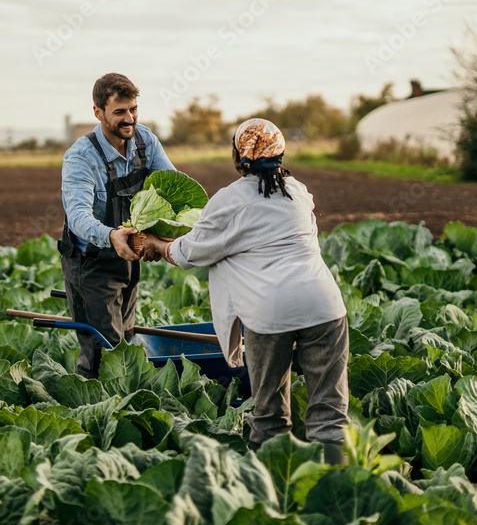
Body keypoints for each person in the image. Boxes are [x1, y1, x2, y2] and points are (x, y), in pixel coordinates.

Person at [142, 118, 350, 464]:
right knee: (330, 412)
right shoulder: (297, 192)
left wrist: (154, 242)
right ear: (279, 154)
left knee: (269, 415)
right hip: (324, 307)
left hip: (270, 313)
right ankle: (339, 491)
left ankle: (270, 491)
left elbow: (189, 253)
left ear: (239, 158)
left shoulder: (230, 200)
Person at [58, 73, 175, 379]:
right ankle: (91, 414)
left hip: (129, 259)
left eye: (133, 109)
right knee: (104, 352)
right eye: (120, 112)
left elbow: (173, 187)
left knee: (126, 342)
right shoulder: (81, 158)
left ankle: (125, 409)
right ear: (98, 112)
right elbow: (78, 216)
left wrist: (163, 234)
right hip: (92, 265)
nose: (130, 118)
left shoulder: (144, 141)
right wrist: (111, 235)